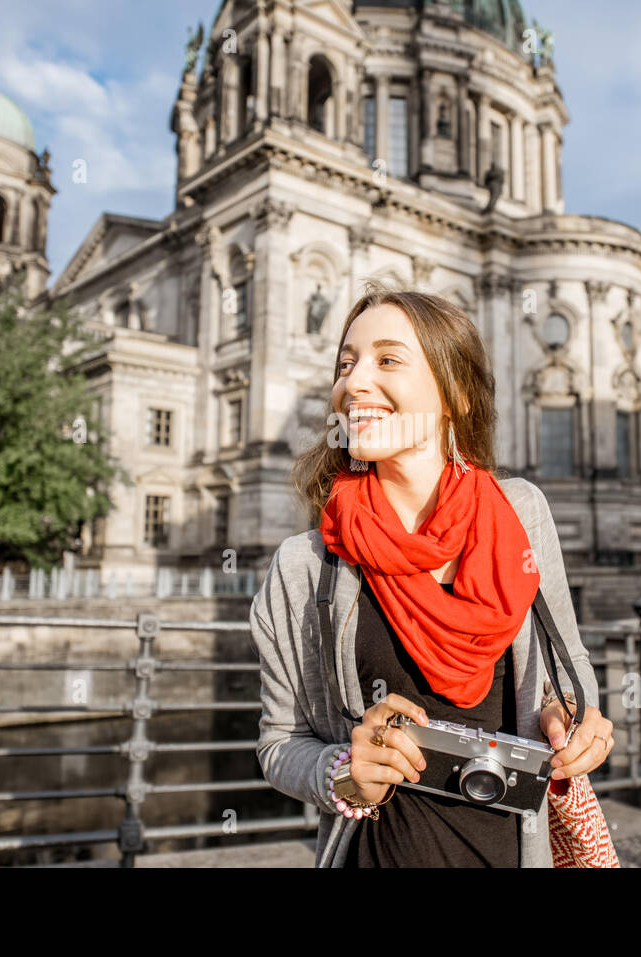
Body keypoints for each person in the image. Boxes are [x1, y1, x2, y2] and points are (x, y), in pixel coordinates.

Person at [248, 283, 615, 867]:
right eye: (346, 363)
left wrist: (571, 720)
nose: (354, 382)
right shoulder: (303, 565)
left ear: (456, 394)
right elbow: (280, 745)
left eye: (387, 359)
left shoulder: (521, 513)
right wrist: (345, 773)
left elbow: (569, 673)